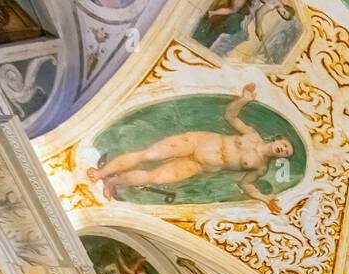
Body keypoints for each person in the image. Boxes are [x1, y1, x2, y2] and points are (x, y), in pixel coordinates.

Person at [87, 84, 293, 212]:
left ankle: (113, 182)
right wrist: (243, 100)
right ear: (277, 140)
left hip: (200, 166)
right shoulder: (252, 135)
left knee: (156, 178)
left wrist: (265, 199)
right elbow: (231, 116)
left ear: (280, 157)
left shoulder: (260, 167)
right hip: (197, 142)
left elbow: (247, 185)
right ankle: (101, 172)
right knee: (148, 154)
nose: (283, 149)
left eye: (285, 152)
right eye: (284, 145)